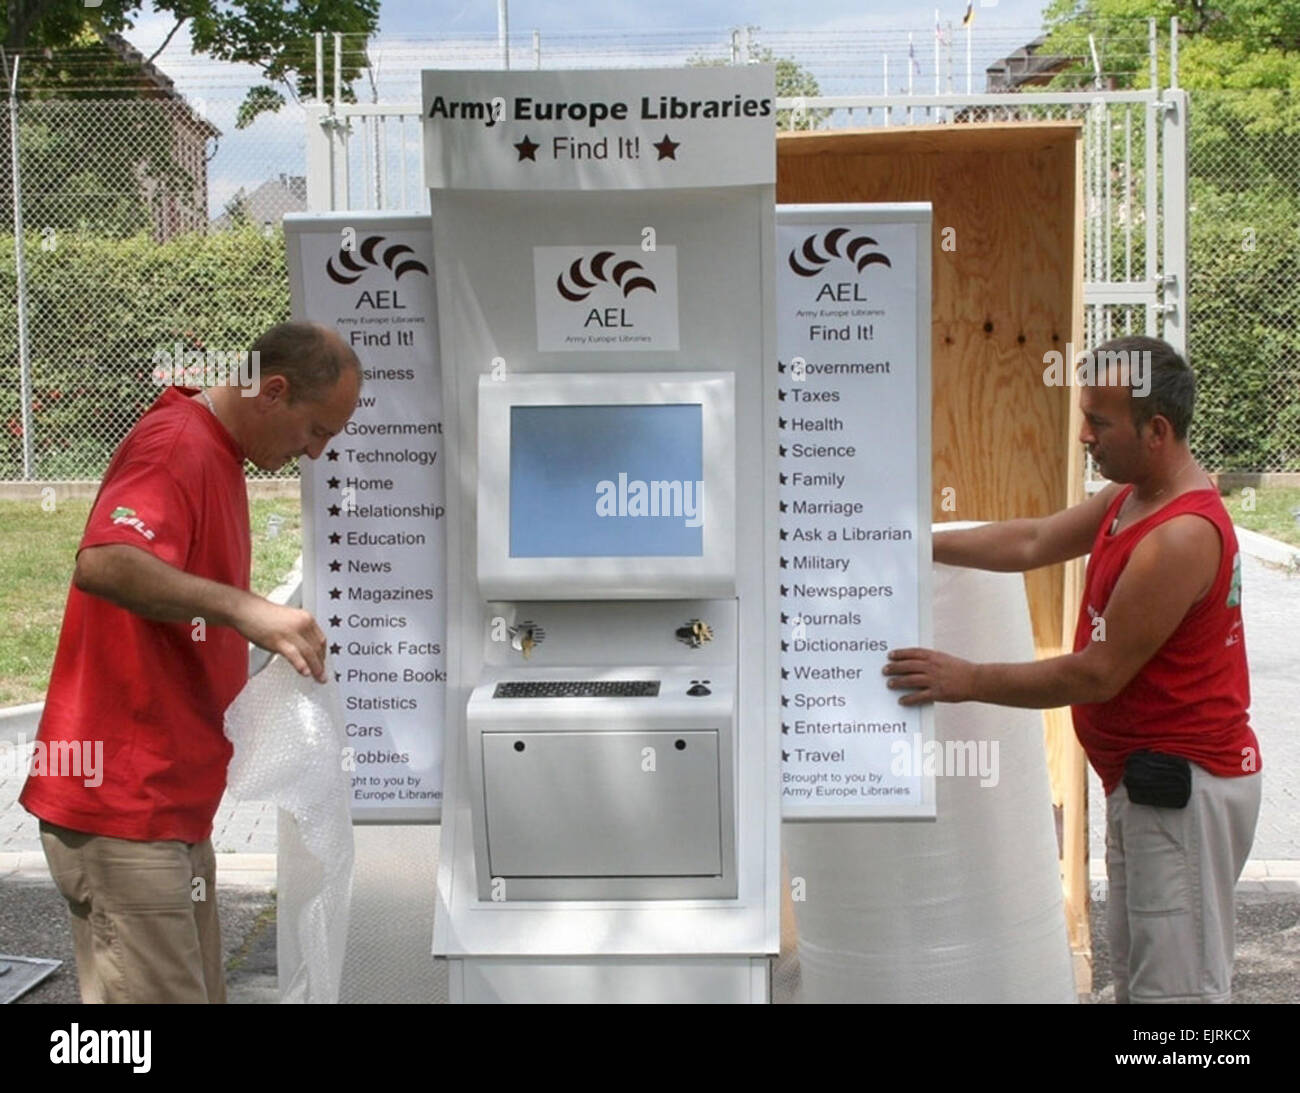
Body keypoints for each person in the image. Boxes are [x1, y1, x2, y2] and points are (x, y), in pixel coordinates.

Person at [882, 335, 1261, 1004]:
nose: (1083, 434)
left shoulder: (1179, 533)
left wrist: (966, 678)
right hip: (1145, 785)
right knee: (1146, 981)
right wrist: (908, 543)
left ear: (1157, 430)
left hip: (1183, 791)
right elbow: (1032, 540)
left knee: (1179, 1000)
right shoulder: (1132, 497)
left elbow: (1096, 675)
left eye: (1099, 420)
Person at [20, 321, 362, 1004]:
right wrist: (246, 610)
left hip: (169, 808)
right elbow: (105, 560)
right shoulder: (178, 443)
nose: (317, 453)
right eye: (317, 430)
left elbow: (184, 604)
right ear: (274, 390)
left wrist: (248, 624)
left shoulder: (216, 453)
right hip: (123, 808)